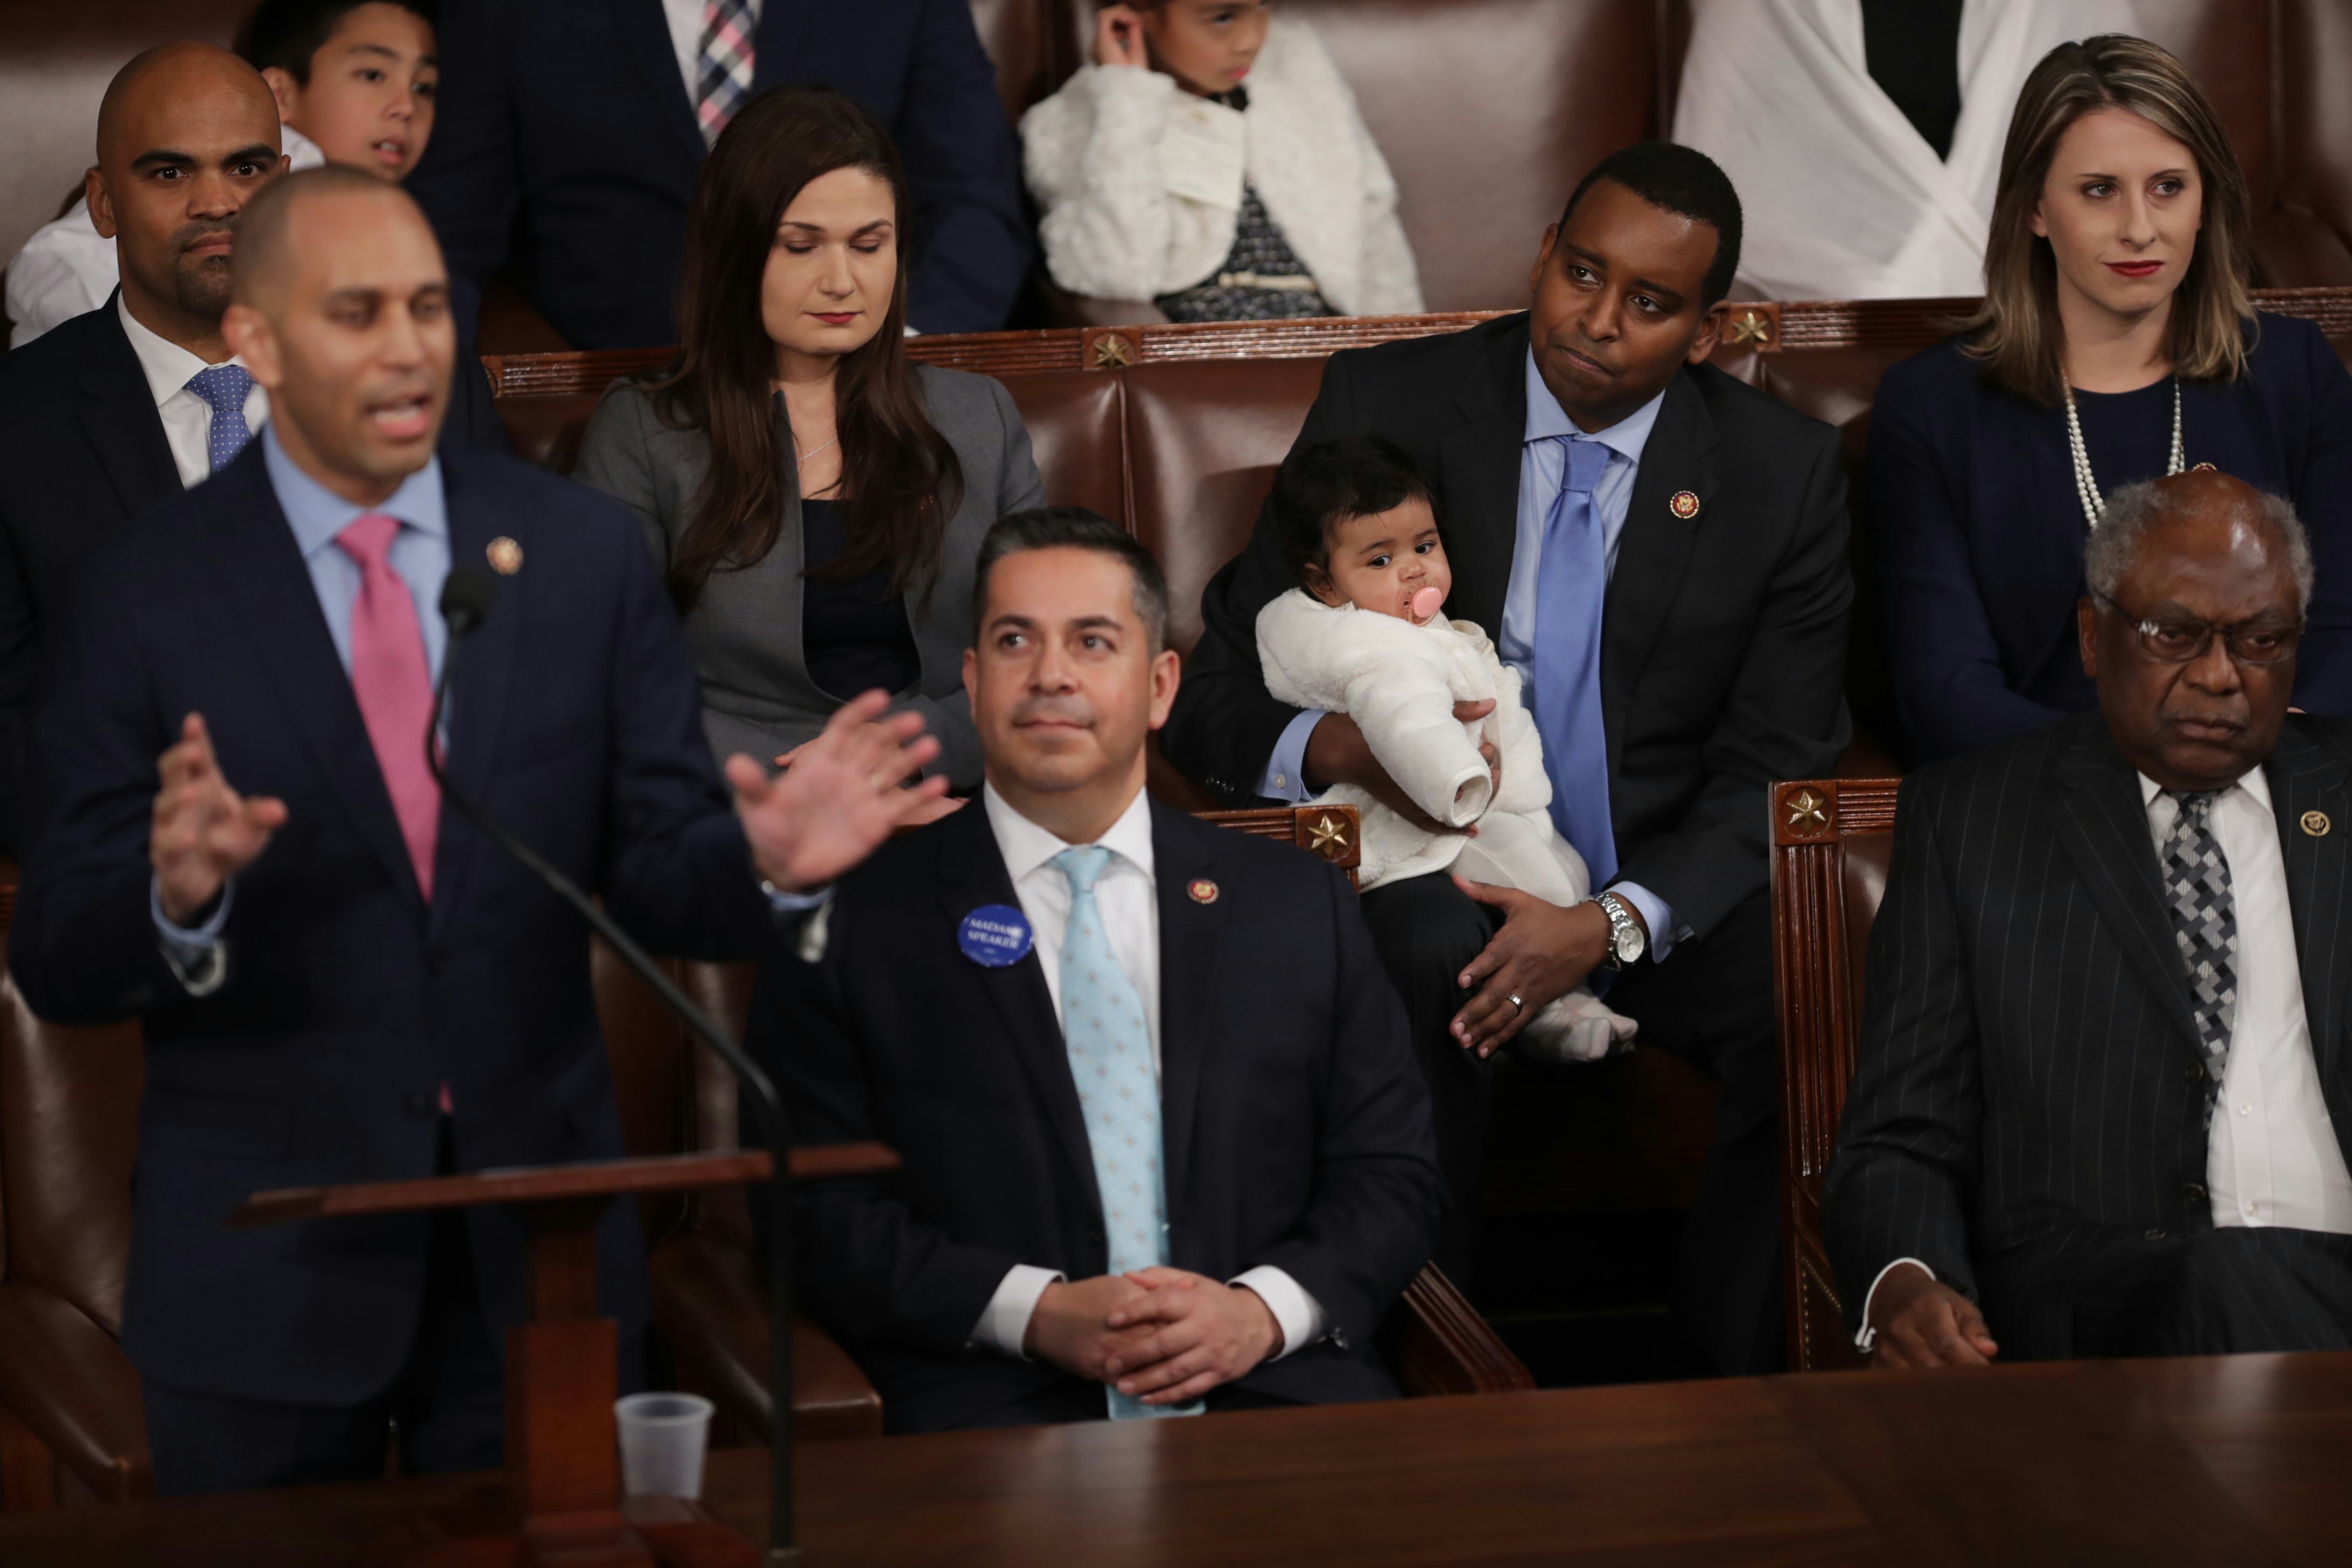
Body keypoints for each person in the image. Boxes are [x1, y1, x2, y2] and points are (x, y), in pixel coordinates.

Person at [10, 165, 950, 1495]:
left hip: (540, 1255)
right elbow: (55, 945)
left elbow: (661, 864)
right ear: (257, 343)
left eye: (429, 309)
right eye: (355, 314)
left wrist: (767, 866)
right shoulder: (144, 592)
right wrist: (174, 894)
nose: (408, 349)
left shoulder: (573, 556)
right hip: (265, 1266)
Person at [1161, 142, 1854, 1375]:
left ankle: (1732, 1394)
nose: (1597, 319)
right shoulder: (1393, 405)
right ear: (1542, 256)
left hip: (1652, 887)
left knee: (1820, 973)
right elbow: (1216, 687)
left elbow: (1778, 758)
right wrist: (1348, 747)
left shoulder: (1781, 475)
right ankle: (1429, 1372)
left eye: (1649, 303)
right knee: (1422, 946)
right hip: (1450, 879)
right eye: (1582, 272)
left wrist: (1612, 921)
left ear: (1708, 330)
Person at [758, 506, 1441, 1433]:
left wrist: (1258, 1313)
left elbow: (1390, 1173)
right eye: (1013, 641)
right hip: (992, 1411)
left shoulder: (1297, 904)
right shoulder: (857, 915)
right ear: (971, 680)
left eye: (1092, 641)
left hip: (1277, 1404)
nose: (1050, 675)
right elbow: (812, 1209)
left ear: (1160, 685)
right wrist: (1030, 1312)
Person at [1828, 470, 2352, 1366]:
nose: (2220, 677)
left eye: (2260, 640)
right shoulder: (1973, 819)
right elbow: (1899, 1132)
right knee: (2229, 1275)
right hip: (2105, 1298)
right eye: (2174, 634)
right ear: (2090, 634)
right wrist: (1903, 1277)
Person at [0, 40, 502, 860]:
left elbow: (502, 648)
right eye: (169, 174)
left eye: (247, 169)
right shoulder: (17, 424)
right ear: (104, 203)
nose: (217, 203)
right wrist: (157, 838)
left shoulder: (425, 388)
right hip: (159, 881)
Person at [1870, 33, 2352, 764]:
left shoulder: (2295, 371)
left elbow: (2343, 633)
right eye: (2099, 190)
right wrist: (2145, 778)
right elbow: (1942, 688)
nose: (2139, 227)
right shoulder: (1931, 405)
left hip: (2275, 784)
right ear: (2035, 208)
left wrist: (2249, 764)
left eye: (2168, 187)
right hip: (2042, 800)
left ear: (2203, 203)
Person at [577, 89, 1042, 789]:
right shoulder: (646, 427)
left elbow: (1040, 650)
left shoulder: (979, 414)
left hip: (947, 784)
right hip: (742, 795)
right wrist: (796, 781)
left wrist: (918, 753)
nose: (841, 281)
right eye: (801, 246)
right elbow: (607, 668)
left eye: (869, 246)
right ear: (734, 253)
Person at [1252, 436, 1634, 1062]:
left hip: (1479, 805)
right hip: (1424, 817)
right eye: (1379, 561)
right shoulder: (1372, 645)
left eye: (1424, 547)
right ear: (1324, 582)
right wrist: (1459, 782)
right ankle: (1551, 1018)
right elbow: (1406, 721)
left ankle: (1565, 1005)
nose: (1414, 570)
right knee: (1547, 886)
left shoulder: (1417, 626)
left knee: (1565, 871)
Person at [407, 0, 1029, 348]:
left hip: (863, 393)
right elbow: (445, 238)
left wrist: (899, 357)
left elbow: (975, 203)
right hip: (612, 395)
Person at [5, 1, 440, 347]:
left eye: (424, 87)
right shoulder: (299, 158)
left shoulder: (362, 208)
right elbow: (53, 262)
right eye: (373, 75)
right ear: (279, 94)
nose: (405, 106)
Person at [1671, 0, 2136, 300]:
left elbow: (2131, 152)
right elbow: (1716, 196)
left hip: (2051, 308)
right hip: (1812, 332)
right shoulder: (1755, 10)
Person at [1019, 0, 1422, 323]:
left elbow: (1374, 227)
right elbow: (1115, 274)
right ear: (1140, 12)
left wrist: (1412, 357)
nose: (1251, 40)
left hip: (1334, 353)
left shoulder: (1297, 72)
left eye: (1263, 6)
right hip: (1205, 362)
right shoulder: (1074, 121)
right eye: (1223, 17)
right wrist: (1127, 99)